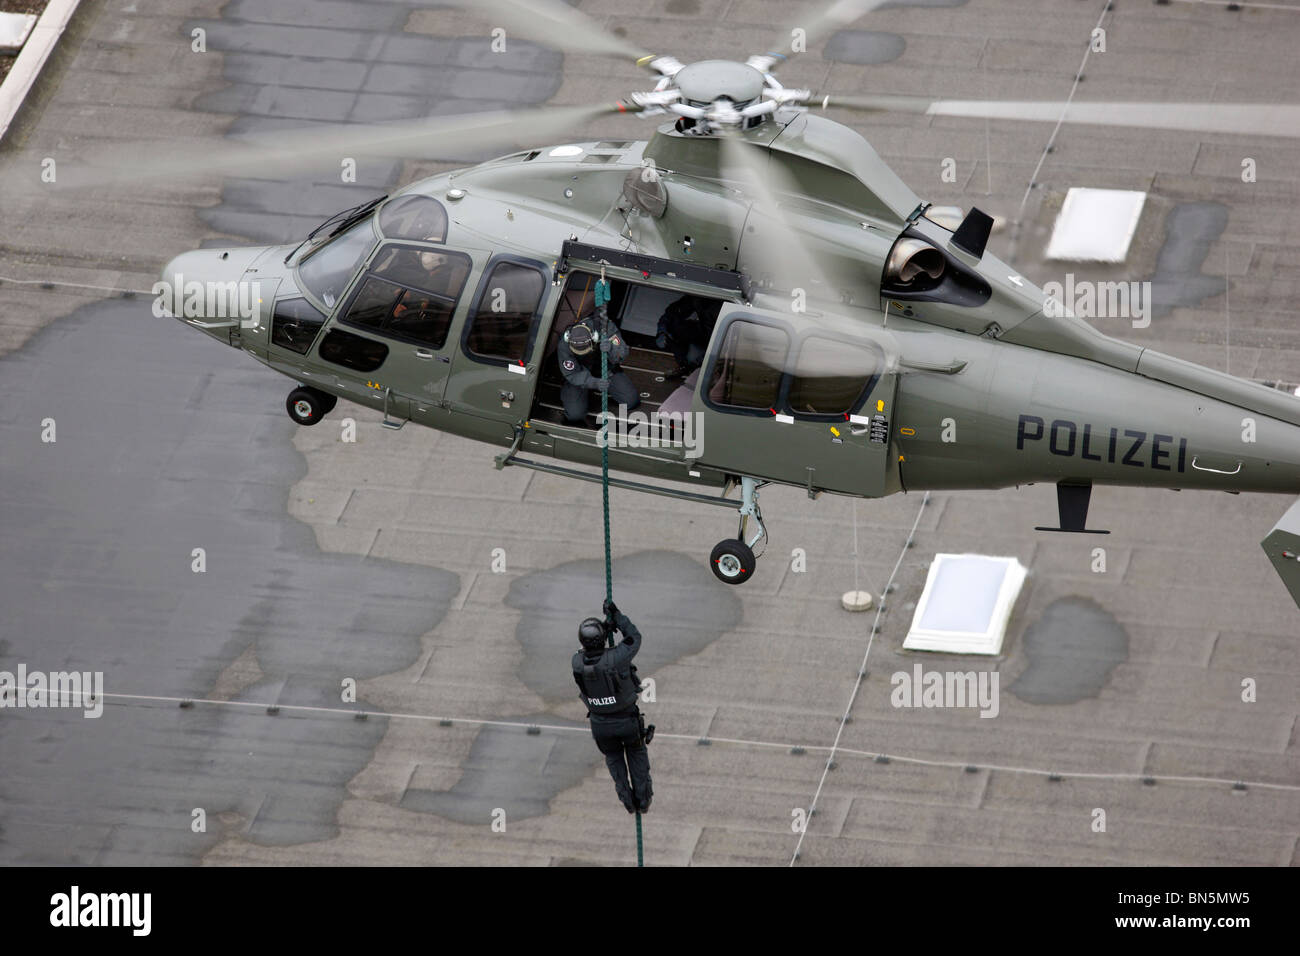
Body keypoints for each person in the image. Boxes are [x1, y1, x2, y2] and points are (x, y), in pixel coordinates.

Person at [572, 599, 653, 813]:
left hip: (600, 725)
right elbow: (634, 638)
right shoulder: (617, 658)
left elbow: (586, 653)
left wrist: (604, 629)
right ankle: (642, 799)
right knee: (636, 753)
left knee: (614, 759)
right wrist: (617, 617)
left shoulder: (576, 662)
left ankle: (625, 797)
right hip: (626, 721)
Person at [557, 307, 640, 425]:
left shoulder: (605, 327)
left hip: (604, 370)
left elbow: (623, 353)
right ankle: (578, 394)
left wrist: (611, 348)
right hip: (580, 375)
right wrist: (593, 383)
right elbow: (572, 373)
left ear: (593, 338)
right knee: (575, 415)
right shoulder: (565, 342)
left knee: (631, 401)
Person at [655, 294, 720, 379]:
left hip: (720, 341)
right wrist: (662, 332)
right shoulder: (697, 297)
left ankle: (703, 368)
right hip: (704, 332)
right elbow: (671, 313)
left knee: (696, 360)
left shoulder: (721, 305)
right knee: (674, 325)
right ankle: (685, 365)